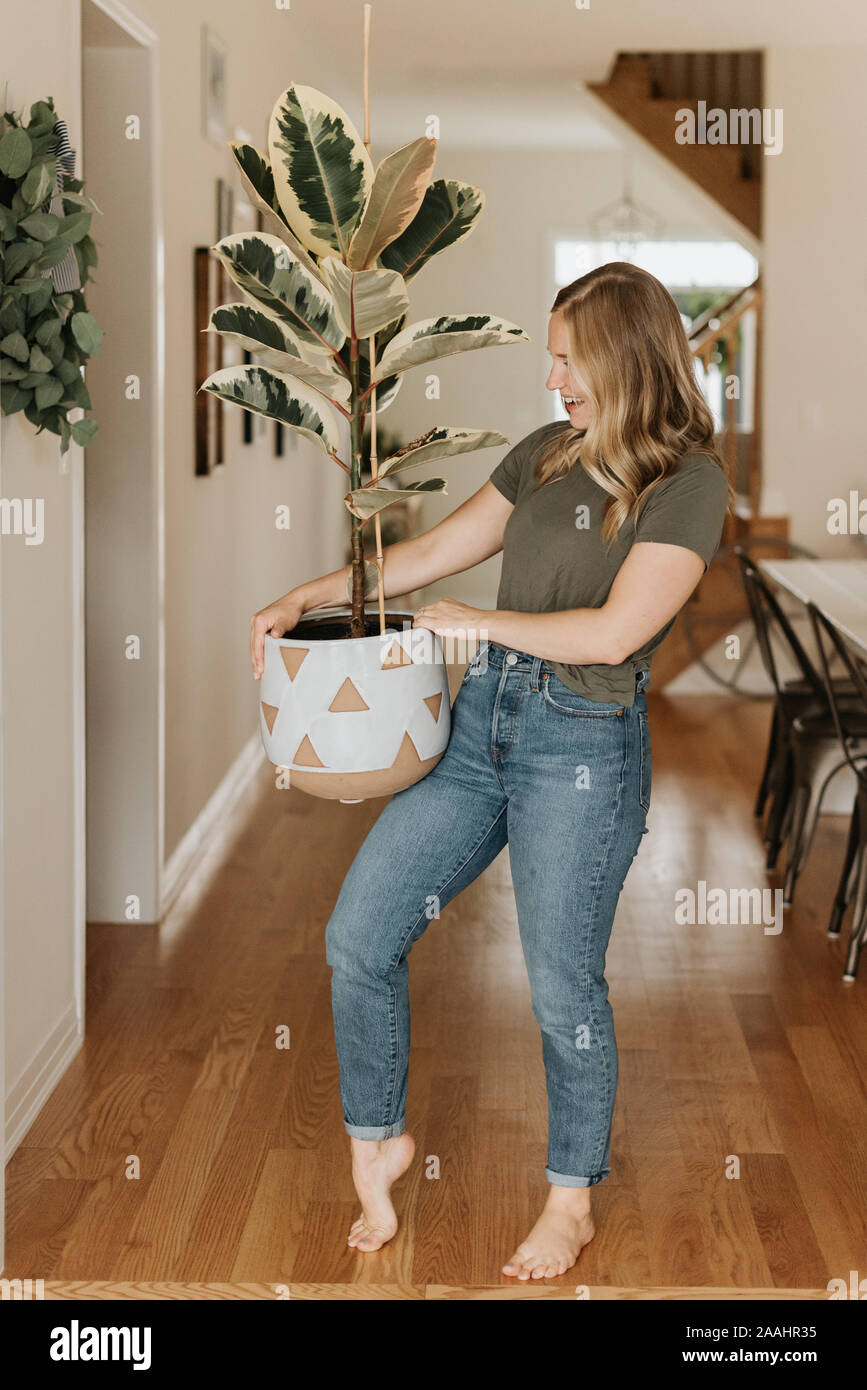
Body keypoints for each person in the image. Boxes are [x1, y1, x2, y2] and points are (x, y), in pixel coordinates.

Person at [250, 262, 732, 1280]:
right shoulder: (542, 456)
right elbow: (426, 557)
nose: (556, 378)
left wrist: (478, 621)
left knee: (562, 990)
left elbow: (614, 635)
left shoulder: (689, 484)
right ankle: (377, 1138)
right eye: (551, 359)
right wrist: (305, 593)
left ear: (624, 356)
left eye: (570, 359)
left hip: (584, 747)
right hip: (481, 730)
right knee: (359, 936)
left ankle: (571, 1197)